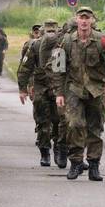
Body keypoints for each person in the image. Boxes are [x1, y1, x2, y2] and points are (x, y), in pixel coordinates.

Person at [52, 7, 105, 181]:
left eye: (87, 18)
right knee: (74, 125)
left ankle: (94, 165)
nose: (84, 21)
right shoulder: (66, 41)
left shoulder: (101, 41)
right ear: (76, 19)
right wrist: (59, 93)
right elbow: (58, 69)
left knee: (95, 129)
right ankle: (75, 163)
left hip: (96, 90)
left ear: (92, 21)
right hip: (74, 89)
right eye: (81, 18)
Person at [17, 19, 67, 168]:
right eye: (48, 31)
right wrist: (23, 89)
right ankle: (45, 151)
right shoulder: (34, 45)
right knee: (42, 120)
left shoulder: (63, 45)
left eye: (53, 31)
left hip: (58, 87)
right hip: (41, 86)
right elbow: (25, 67)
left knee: (59, 120)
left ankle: (59, 149)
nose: (51, 34)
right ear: (43, 31)